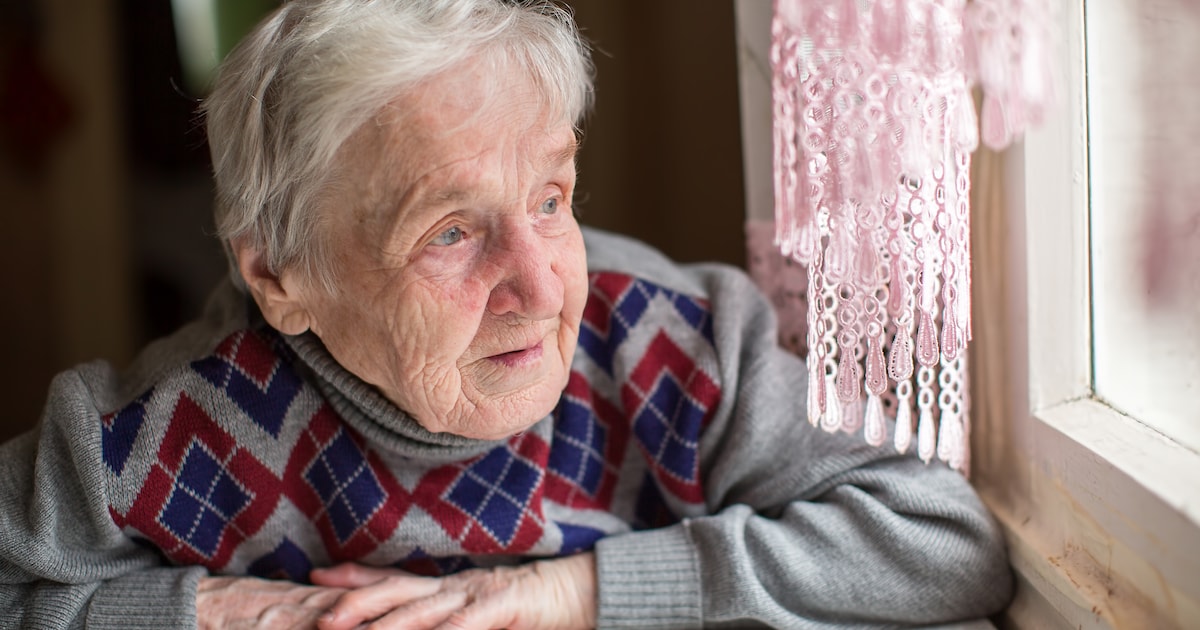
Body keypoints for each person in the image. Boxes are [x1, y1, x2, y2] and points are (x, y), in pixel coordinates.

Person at [0, 0, 1013, 627]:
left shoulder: (681, 342)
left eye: (550, 199)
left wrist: (576, 595)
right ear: (278, 277)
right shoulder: (161, 432)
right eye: (450, 231)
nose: (542, 285)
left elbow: (939, 543)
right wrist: (219, 615)